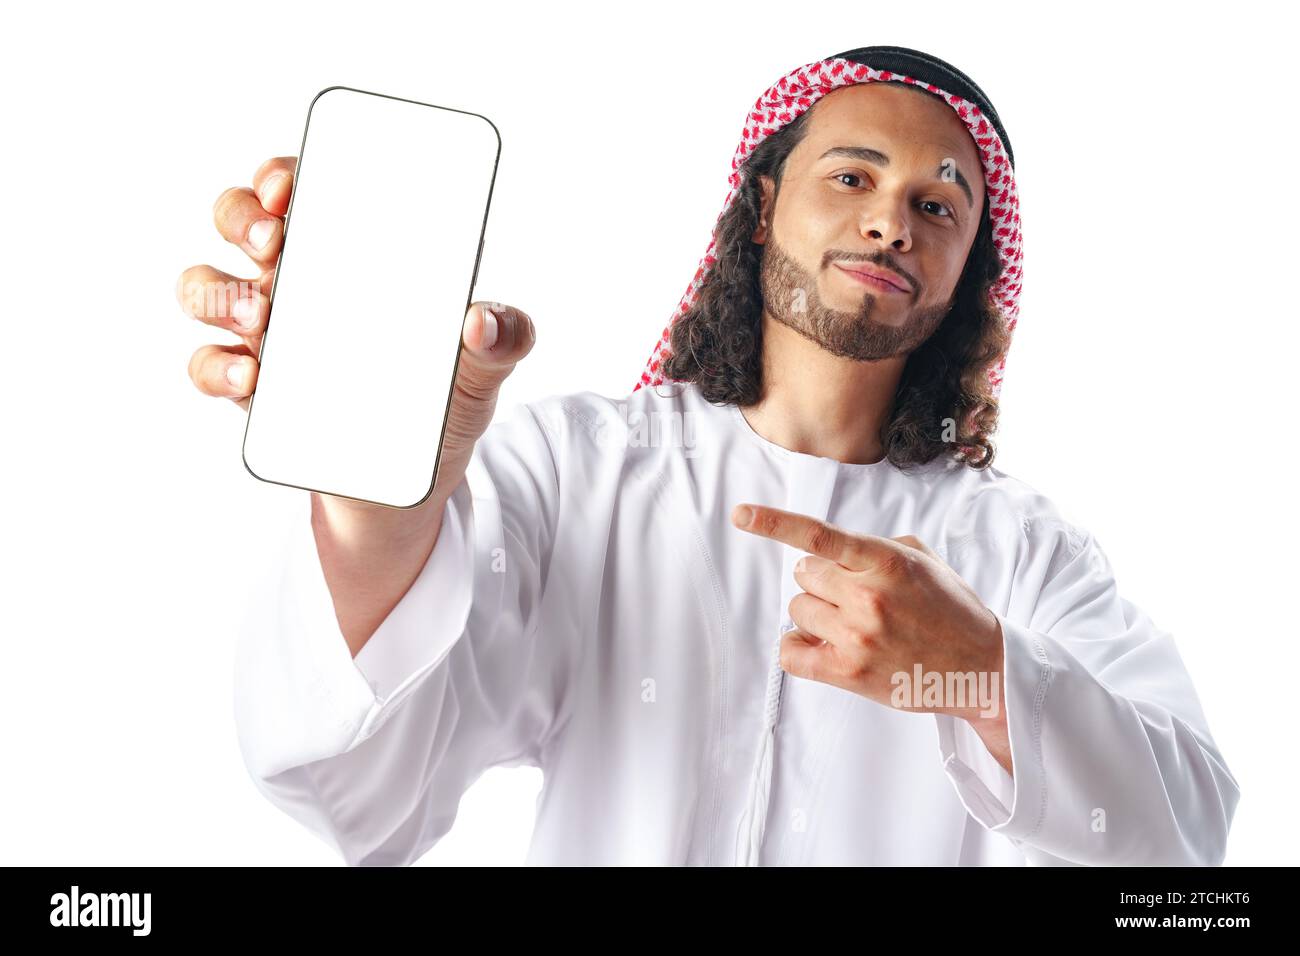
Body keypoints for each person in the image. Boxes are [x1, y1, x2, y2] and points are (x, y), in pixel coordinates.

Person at [180, 45, 1240, 866]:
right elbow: (352, 782)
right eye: (852, 177)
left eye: (935, 205)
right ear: (765, 201)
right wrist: (381, 499)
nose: (888, 225)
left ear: (966, 269)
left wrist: (977, 672)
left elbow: (1182, 842)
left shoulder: (1020, 552)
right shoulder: (579, 472)